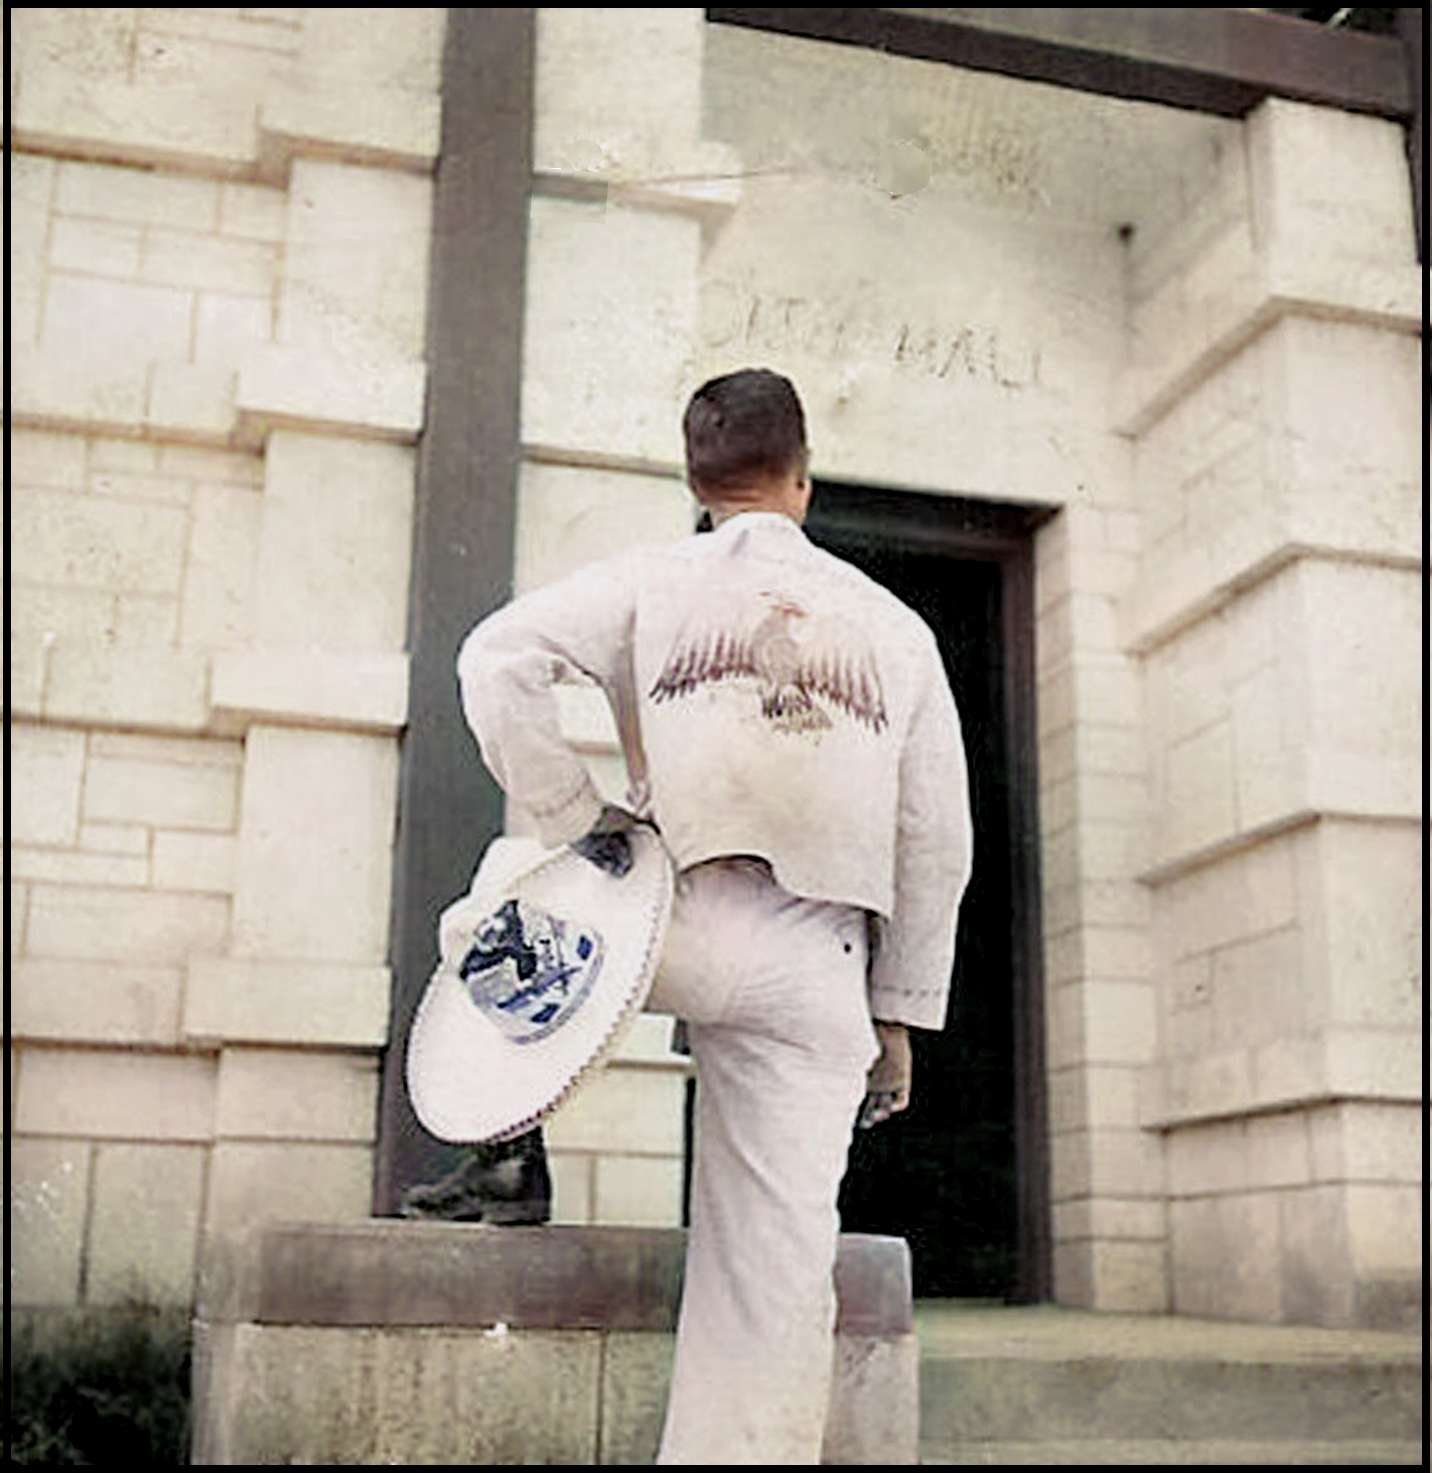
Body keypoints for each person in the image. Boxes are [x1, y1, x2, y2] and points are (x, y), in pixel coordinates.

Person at [456, 368, 973, 1464]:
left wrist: (576, 821)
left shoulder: (652, 576)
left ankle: (508, 1133)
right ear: (802, 478)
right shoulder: (895, 626)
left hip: (666, 917)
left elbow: (494, 658)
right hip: (819, 961)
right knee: (773, 1283)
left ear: (697, 482)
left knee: (499, 893)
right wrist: (898, 1013)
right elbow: (937, 837)